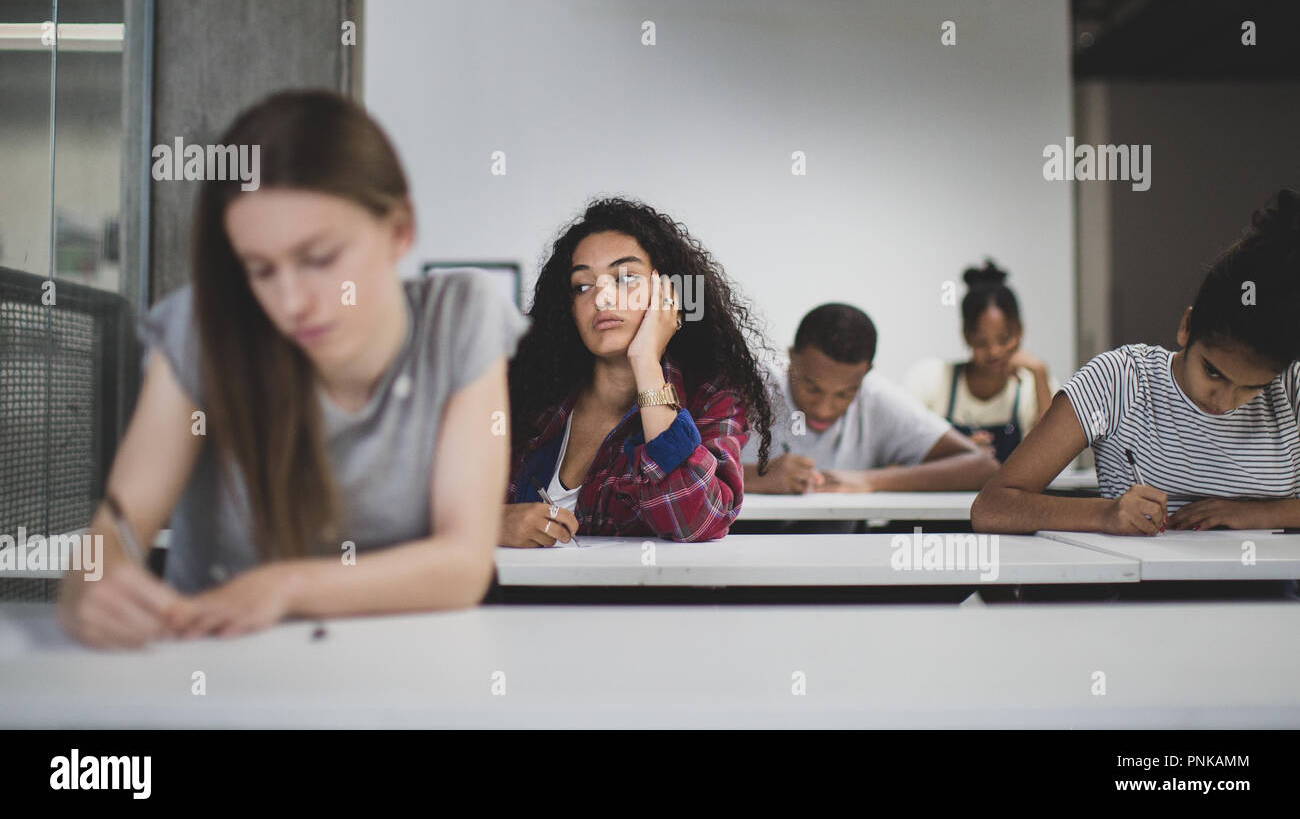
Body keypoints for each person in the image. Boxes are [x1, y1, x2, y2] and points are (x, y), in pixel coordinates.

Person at [59, 89, 527, 648]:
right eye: (260, 270)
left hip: (401, 670)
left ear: (400, 229)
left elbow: (463, 563)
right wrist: (90, 580)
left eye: (320, 259)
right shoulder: (203, 327)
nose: (291, 303)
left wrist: (286, 586)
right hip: (218, 667)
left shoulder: (461, 318)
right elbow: (118, 521)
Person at [972, 189, 1300, 535]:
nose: (1224, 400)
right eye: (1213, 372)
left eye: (1252, 388)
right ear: (1187, 326)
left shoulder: (1290, 385)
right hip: (1143, 572)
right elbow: (992, 508)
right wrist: (1104, 514)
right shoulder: (1119, 380)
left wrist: (1257, 514)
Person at [501, 197, 774, 546]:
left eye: (626, 278)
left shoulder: (712, 391)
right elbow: (439, 490)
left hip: (642, 585)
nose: (601, 299)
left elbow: (696, 521)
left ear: (669, 292)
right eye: (582, 286)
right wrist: (492, 524)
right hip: (510, 584)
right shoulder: (522, 377)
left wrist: (646, 361)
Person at [741, 303, 999, 496]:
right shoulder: (749, 387)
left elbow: (983, 466)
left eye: (845, 394)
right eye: (812, 388)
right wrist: (754, 477)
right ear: (792, 357)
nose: (824, 409)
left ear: (866, 373)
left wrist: (870, 480)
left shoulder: (876, 397)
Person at [904, 261, 1057, 462]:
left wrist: (1039, 372)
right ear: (966, 336)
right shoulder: (932, 379)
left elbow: (1051, 456)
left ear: (1020, 331)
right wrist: (955, 451)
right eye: (982, 342)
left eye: (1004, 339)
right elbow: (901, 449)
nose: (994, 352)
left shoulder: (1035, 386)